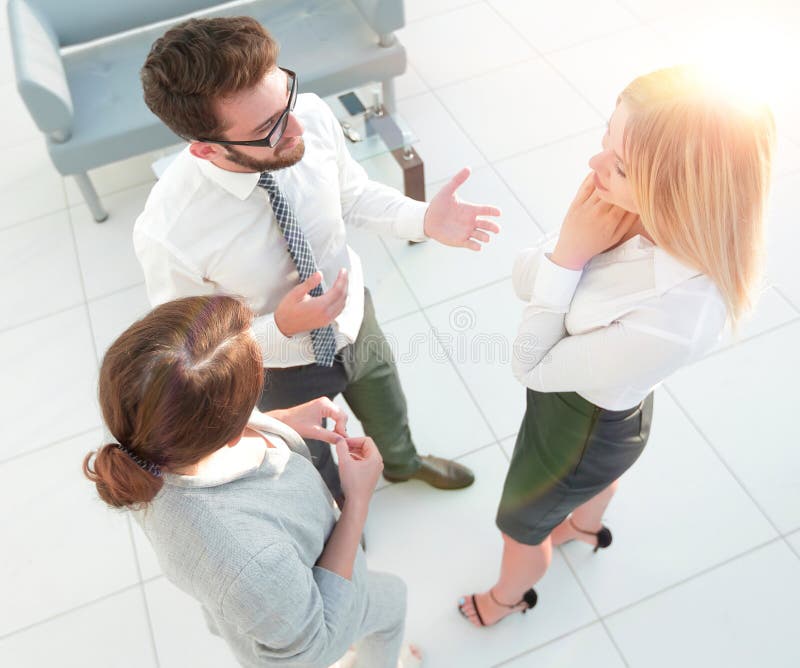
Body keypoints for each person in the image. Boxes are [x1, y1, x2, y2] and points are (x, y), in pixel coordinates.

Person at [134, 16, 502, 502]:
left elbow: (352, 195)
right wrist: (279, 328)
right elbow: (195, 353)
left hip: (355, 319)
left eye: (285, 98)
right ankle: (340, 508)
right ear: (205, 149)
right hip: (277, 369)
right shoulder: (168, 233)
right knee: (311, 453)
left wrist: (422, 219)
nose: (297, 127)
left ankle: (402, 463)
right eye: (268, 128)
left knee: (388, 405)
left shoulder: (308, 114)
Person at [458, 65, 775, 626]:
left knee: (519, 528)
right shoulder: (628, 205)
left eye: (621, 165)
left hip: (583, 430)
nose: (594, 165)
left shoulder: (676, 313)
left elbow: (529, 364)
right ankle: (583, 525)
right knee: (592, 483)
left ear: (682, 190)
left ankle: (506, 599)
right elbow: (522, 276)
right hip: (607, 412)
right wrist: (571, 245)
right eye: (607, 138)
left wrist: (570, 254)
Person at [83, 294, 422, 667]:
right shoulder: (249, 561)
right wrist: (357, 501)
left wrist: (277, 422)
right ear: (226, 429)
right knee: (394, 603)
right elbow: (313, 645)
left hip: (263, 608)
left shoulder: (137, 426)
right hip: (309, 609)